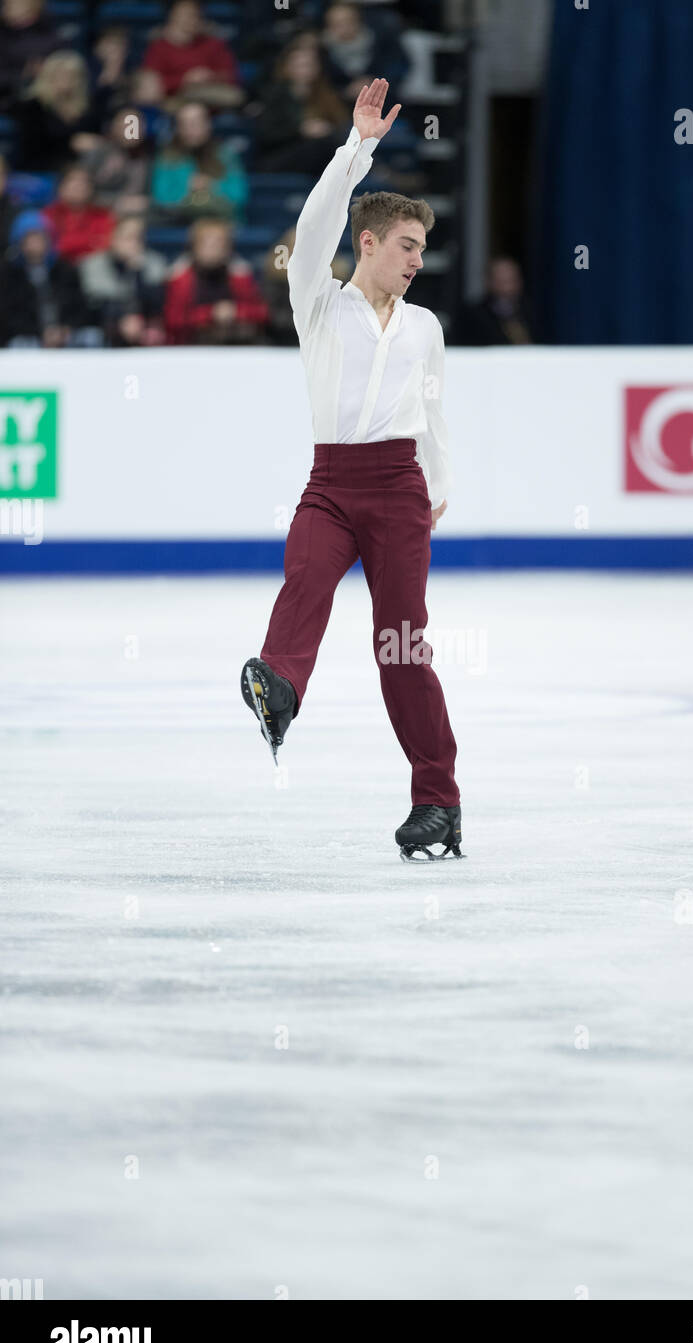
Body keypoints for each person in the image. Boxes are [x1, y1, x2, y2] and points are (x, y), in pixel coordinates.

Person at [240, 79, 463, 862]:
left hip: (400, 489)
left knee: (401, 646)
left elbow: (431, 412)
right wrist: (357, 149)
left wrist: (437, 488)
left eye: (424, 250)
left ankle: (438, 797)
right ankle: (278, 684)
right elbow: (311, 233)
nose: (417, 260)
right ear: (368, 244)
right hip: (331, 486)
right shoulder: (321, 305)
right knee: (305, 577)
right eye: (407, 245)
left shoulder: (426, 326)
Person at [162, 217, 268, 344]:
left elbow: (261, 312)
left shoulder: (240, 275)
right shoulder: (179, 277)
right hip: (190, 348)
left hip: (237, 346)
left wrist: (235, 311)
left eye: (219, 243)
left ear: (228, 247)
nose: (213, 249)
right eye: (207, 243)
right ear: (194, 246)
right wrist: (210, 314)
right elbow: (172, 320)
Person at [0, 209, 97, 347]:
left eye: (40, 237)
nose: (35, 243)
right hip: (27, 335)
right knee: (19, 345)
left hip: (65, 332)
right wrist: (39, 332)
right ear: (19, 241)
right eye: (29, 238)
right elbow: (8, 314)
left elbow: (80, 305)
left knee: (92, 337)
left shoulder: (65, 270)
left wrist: (66, 329)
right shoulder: (9, 273)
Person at [253, 36, 350, 176]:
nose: (305, 70)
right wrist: (302, 130)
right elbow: (266, 134)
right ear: (287, 67)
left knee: (336, 146)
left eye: (309, 65)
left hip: (321, 155)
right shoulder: (273, 95)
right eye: (299, 65)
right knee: (322, 146)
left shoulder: (327, 94)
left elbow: (341, 126)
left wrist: (325, 129)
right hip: (281, 156)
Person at [151, 100, 247, 223]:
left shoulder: (225, 155)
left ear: (207, 125)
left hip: (221, 223)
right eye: (184, 124)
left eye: (195, 123)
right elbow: (161, 198)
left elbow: (239, 196)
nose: (190, 130)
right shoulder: (167, 158)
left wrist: (211, 186)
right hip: (178, 223)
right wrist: (187, 188)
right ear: (178, 129)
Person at [79, 215, 167, 346]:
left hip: (144, 325)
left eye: (138, 238)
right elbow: (97, 302)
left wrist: (137, 273)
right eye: (128, 238)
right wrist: (123, 317)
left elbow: (156, 303)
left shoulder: (155, 263)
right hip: (105, 326)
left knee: (156, 333)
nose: (134, 243)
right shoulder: (93, 264)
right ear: (112, 238)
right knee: (90, 336)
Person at [141, 0, 243, 110]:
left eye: (195, 14)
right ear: (172, 15)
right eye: (185, 14)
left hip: (212, 99)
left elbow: (231, 76)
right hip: (176, 100)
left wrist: (209, 76)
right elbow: (151, 85)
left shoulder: (213, 44)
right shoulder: (158, 48)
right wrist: (185, 80)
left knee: (234, 97)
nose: (191, 19)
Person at [11, 49, 101, 171]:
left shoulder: (86, 107)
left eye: (73, 75)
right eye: (61, 74)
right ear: (48, 75)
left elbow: (93, 136)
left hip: (79, 169)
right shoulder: (32, 105)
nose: (67, 80)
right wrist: (70, 143)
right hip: (41, 168)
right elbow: (33, 146)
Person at [320, 3, 409, 103]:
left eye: (349, 21)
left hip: (386, 101)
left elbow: (398, 66)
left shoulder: (380, 40)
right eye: (337, 24)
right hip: (343, 107)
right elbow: (322, 84)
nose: (344, 27)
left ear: (359, 21)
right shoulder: (323, 51)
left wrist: (375, 82)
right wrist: (345, 91)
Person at [455, 256, 534, 345]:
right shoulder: (473, 316)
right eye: (501, 282)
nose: (506, 289)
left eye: (511, 281)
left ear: (520, 282)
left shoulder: (531, 312)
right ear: (489, 282)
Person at [43, 164, 115, 262]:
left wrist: (67, 244)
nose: (79, 186)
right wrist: (89, 243)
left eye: (84, 182)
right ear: (61, 187)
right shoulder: (48, 214)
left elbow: (105, 246)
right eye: (72, 181)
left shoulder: (102, 216)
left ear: (91, 189)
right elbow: (47, 247)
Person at [0, 0, 60, 110]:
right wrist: (23, 75)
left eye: (10, 4)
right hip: (9, 97)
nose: (4, 8)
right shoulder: (3, 37)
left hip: (48, 95)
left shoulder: (51, 37)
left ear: (31, 6)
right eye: (4, 4)